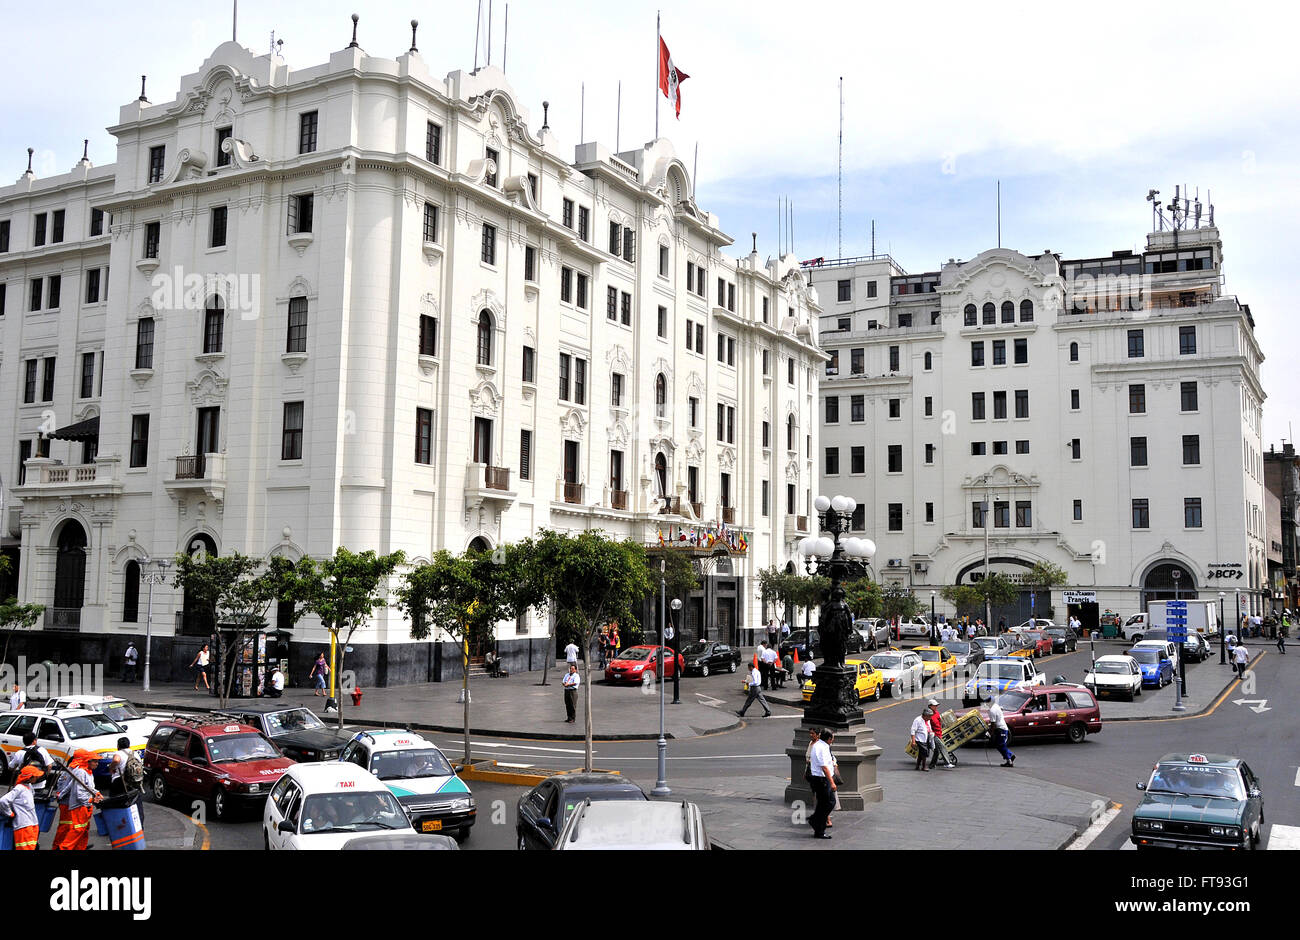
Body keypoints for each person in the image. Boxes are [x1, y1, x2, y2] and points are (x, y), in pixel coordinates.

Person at [53, 749, 101, 850]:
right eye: (94, 761)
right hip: (71, 804)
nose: (97, 763)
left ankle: (75, 846)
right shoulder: (77, 770)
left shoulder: (80, 769)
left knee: (79, 829)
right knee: (71, 829)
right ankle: (60, 847)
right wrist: (61, 795)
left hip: (73, 803)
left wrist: (95, 793)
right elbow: (72, 788)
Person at [0, 766, 44, 850]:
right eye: (35, 776)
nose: (37, 778)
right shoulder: (19, 788)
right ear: (29, 777)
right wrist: (9, 813)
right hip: (23, 826)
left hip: (32, 824)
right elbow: (3, 801)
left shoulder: (29, 787)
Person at [806, 727, 835, 839]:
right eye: (832, 738)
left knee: (827, 803)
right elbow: (824, 767)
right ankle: (819, 828)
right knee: (827, 803)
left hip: (821, 779)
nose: (833, 740)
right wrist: (832, 782)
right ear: (828, 738)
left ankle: (815, 820)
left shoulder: (821, 745)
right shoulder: (821, 748)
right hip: (822, 780)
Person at [927, 698, 954, 769]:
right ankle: (947, 763)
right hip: (933, 735)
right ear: (930, 706)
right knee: (942, 747)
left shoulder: (936, 713)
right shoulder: (928, 715)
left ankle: (932, 765)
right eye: (934, 705)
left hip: (939, 733)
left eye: (936, 705)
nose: (936, 707)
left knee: (937, 751)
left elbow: (940, 722)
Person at [988, 696, 1015, 767]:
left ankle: (1009, 761)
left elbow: (993, 724)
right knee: (999, 745)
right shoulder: (996, 706)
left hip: (1001, 729)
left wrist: (990, 733)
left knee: (1001, 745)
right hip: (1001, 728)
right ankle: (1010, 755)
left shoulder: (992, 710)